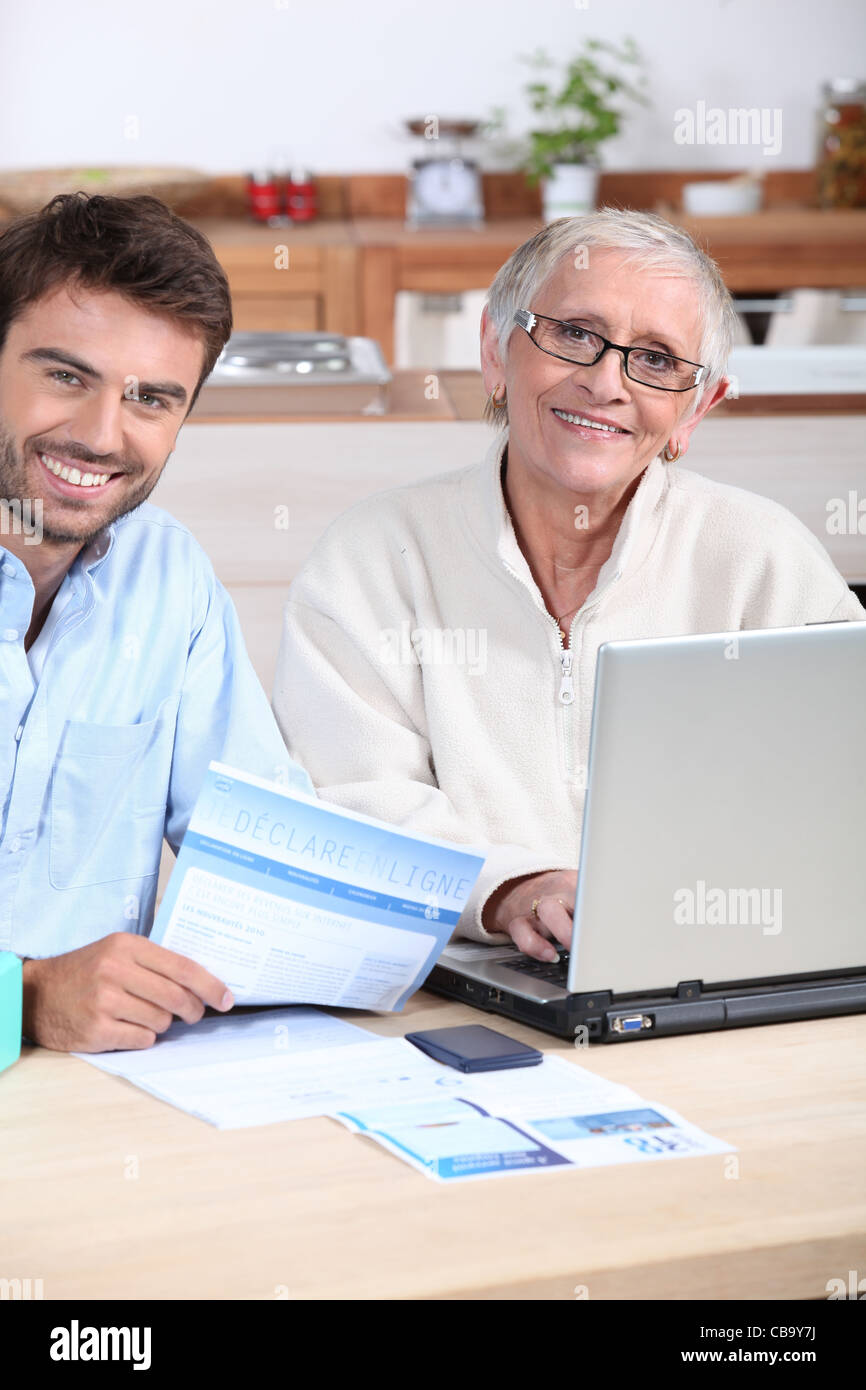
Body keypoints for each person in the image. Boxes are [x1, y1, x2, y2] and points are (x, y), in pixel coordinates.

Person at [273, 209, 864, 962]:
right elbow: (346, 798)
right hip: (448, 982)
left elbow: (840, 793)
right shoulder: (371, 557)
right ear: (495, 351)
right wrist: (514, 888)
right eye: (576, 334)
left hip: (714, 971)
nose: (604, 383)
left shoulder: (762, 559)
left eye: (655, 359)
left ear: (696, 409)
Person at [0, 192, 312, 1052]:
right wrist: (22, 1000)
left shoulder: (168, 578)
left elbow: (265, 854)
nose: (102, 435)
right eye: (65, 375)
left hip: (112, 1101)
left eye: (152, 399)